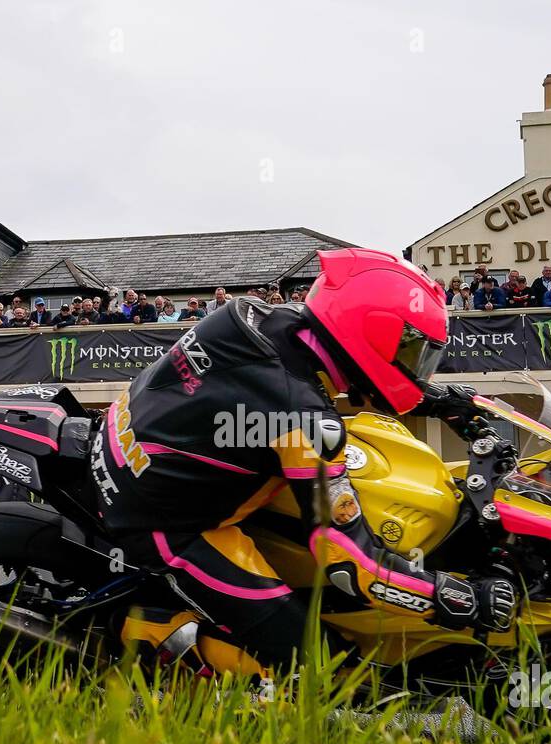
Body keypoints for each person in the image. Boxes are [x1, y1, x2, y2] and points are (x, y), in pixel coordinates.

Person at [92, 248, 518, 674]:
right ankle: (145, 636)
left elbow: (325, 379)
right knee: (321, 669)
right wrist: (454, 596)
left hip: (120, 449)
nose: (417, 368)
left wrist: (440, 401)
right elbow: (351, 564)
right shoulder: (303, 418)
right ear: (373, 332)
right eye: (413, 353)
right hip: (164, 521)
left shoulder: (259, 317)